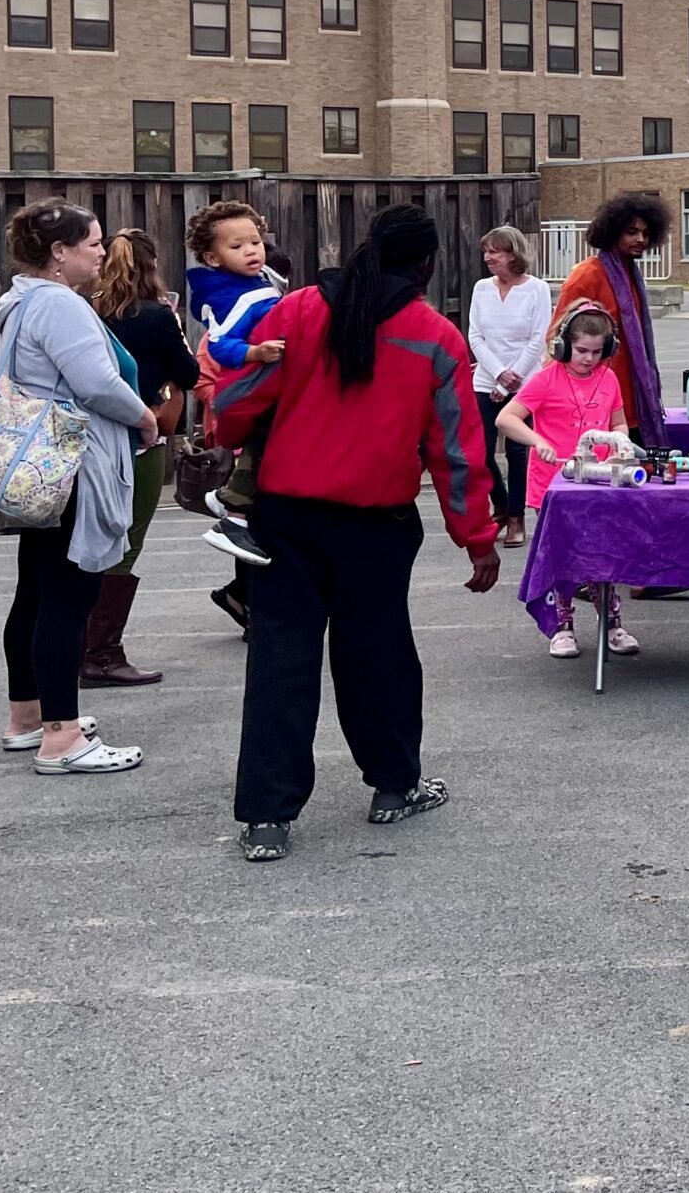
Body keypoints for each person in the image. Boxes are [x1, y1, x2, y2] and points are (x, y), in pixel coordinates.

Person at [212, 205, 500, 863]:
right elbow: (456, 449)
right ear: (426, 263)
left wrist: (236, 439)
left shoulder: (301, 308)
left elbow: (237, 401)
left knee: (281, 657)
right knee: (378, 654)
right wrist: (476, 537)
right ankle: (394, 785)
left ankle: (266, 817)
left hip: (285, 515)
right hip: (375, 521)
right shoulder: (434, 335)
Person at [0, 199, 160, 775]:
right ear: (59, 253)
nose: (101, 250)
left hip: (40, 469)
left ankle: (28, 717)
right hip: (73, 468)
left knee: (35, 595)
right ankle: (62, 739)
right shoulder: (61, 306)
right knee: (68, 599)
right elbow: (96, 383)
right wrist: (145, 417)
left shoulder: (21, 301)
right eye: (92, 242)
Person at [83, 228, 200, 688]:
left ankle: (78, 645)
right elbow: (188, 372)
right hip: (140, 435)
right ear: (151, 267)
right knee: (127, 540)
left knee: (87, 541)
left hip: (91, 438)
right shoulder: (155, 316)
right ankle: (102, 654)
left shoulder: (89, 313)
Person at [497, 302, 640, 660]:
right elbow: (506, 418)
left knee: (603, 555)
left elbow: (618, 423)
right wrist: (537, 441)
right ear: (563, 346)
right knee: (561, 557)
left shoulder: (608, 379)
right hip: (554, 485)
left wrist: (621, 444)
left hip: (599, 482)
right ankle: (562, 627)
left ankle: (612, 623)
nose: (589, 359)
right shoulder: (545, 379)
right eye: (581, 351)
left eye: (596, 351)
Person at [185, 201, 285, 570]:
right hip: (250, 382)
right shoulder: (235, 298)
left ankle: (228, 498)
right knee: (264, 442)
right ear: (212, 258)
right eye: (237, 246)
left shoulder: (254, 283)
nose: (251, 251)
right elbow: (220, 345)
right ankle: (234, 517)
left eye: (255, 242)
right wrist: (256, 352)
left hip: (259, 381)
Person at [552, 191, 671, 448]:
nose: (640, 238)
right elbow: (557, 340)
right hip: (595, 403)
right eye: (631, 231)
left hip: (634, 403)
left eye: (646, 233)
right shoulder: (586, 276)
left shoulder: (631, 275)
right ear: (612, 231)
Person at [467, 224, 551, 549]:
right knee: (480, 452)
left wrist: (513, 375)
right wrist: (498, 372)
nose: (488, 258)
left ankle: (516, 518)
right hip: (486, 379)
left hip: (525, 382)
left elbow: (538, 339)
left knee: (517, 453)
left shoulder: (537, 290)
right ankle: (500, 504)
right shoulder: (481, 289)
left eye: (494, 252)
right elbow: (475, 335)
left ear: (512, 254)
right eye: (486, 252)